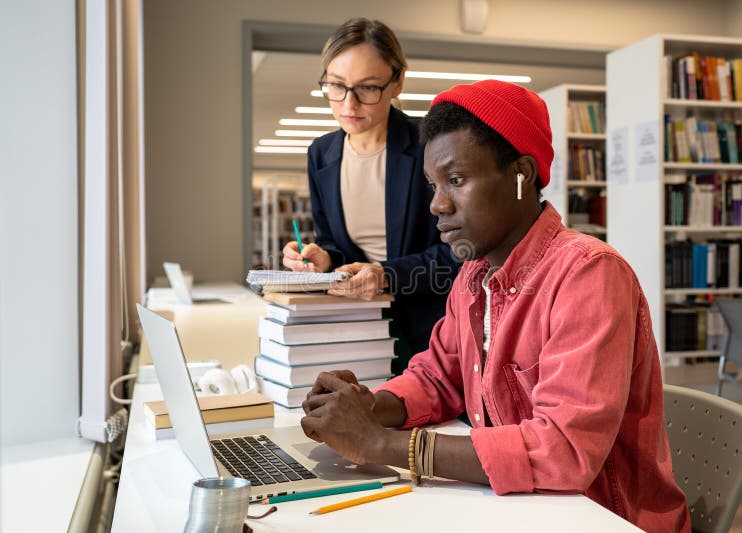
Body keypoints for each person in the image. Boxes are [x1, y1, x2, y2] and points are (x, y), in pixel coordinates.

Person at [299, 80, 691, 533]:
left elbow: (563, 450)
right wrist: (366, 408)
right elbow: (437, 376)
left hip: (604, 517)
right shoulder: (474, 272)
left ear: (522, 174)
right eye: (432, 184)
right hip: (524, 511)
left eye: (456, 180)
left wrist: (382, 445)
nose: (436, 204)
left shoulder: (589, 274)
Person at [282, 18, 458, 371]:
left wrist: (386, 274)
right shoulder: (321, 154)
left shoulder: (431, 144)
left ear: (397, 82)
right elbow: (335, 243)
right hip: (356, 329)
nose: (349, 103)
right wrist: (324, 259)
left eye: (367, 88)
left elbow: (459, 253)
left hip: (434, 331)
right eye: (336, 86)